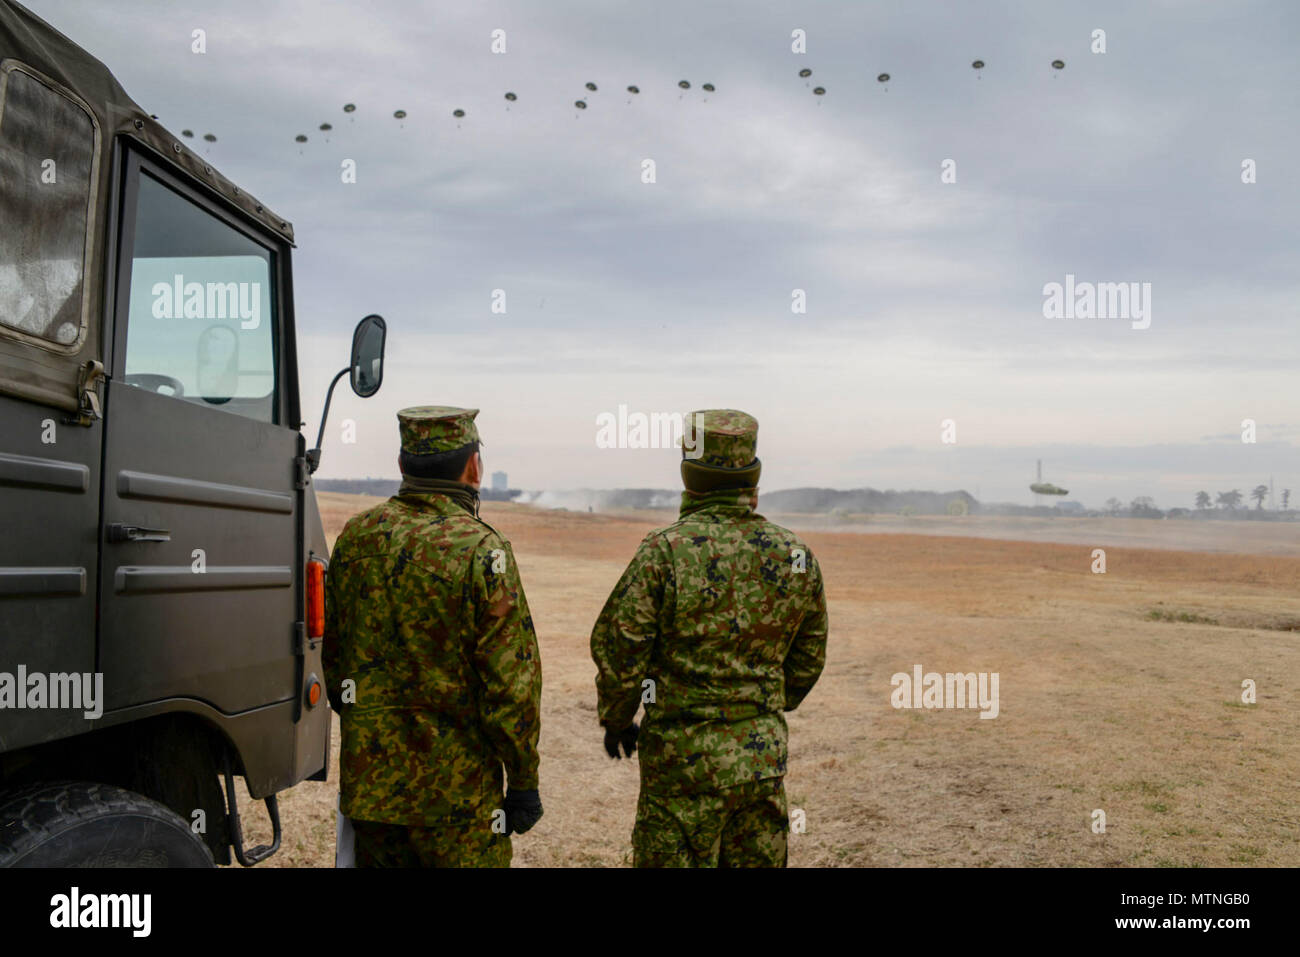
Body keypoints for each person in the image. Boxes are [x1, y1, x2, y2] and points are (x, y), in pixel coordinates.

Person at [590, 409, 828, 867]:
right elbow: (807, 658)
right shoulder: (796, 555)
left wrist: (617, 719)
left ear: (689, 477)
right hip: (761, 762)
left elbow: (621, 647)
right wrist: (755, 711)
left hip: (681, 765)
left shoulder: (666, 551)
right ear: (753, 477)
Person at [324, 405, 542, 867]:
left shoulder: (357, 537)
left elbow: (337, 662)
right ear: (473, 467)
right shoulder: (482, 549)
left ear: (402, 466)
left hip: (372, 793)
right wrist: (523, 780)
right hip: (458, 804)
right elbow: (511, 685)